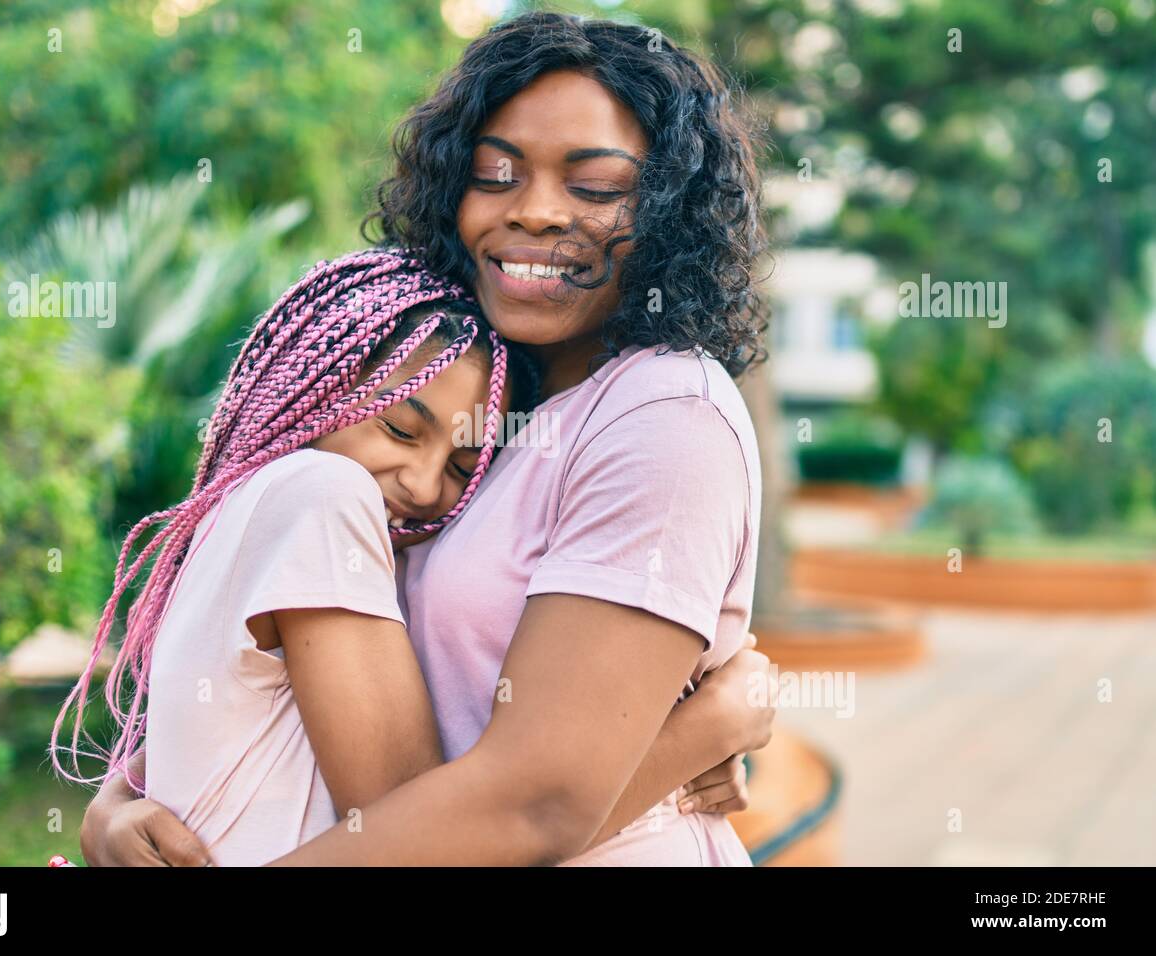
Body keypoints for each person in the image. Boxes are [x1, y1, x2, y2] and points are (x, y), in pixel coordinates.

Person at [80, 11, 775, 866]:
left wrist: (708, 726)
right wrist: (125, 794)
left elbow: (539, 804)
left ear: (670, 213)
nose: (537, 211)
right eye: (496, 173)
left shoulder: (662, 414)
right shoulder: (477, 400)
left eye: (594, 187)